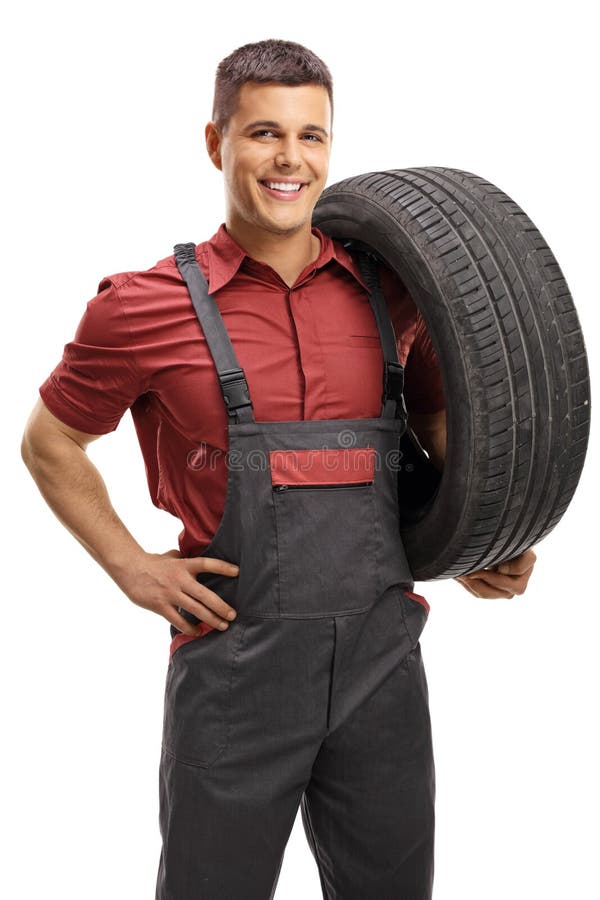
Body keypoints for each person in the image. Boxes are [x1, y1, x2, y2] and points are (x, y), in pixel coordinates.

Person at [21, 38, 536, 900]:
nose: (290, 159)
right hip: (235, 672)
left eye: (311, 136)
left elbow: (439, 428)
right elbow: (50, 441)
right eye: (264, 133)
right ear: (215, 141)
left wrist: (482, 535)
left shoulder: (395, 292)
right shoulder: (141, 306)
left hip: (382, 669)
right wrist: (130, 567)